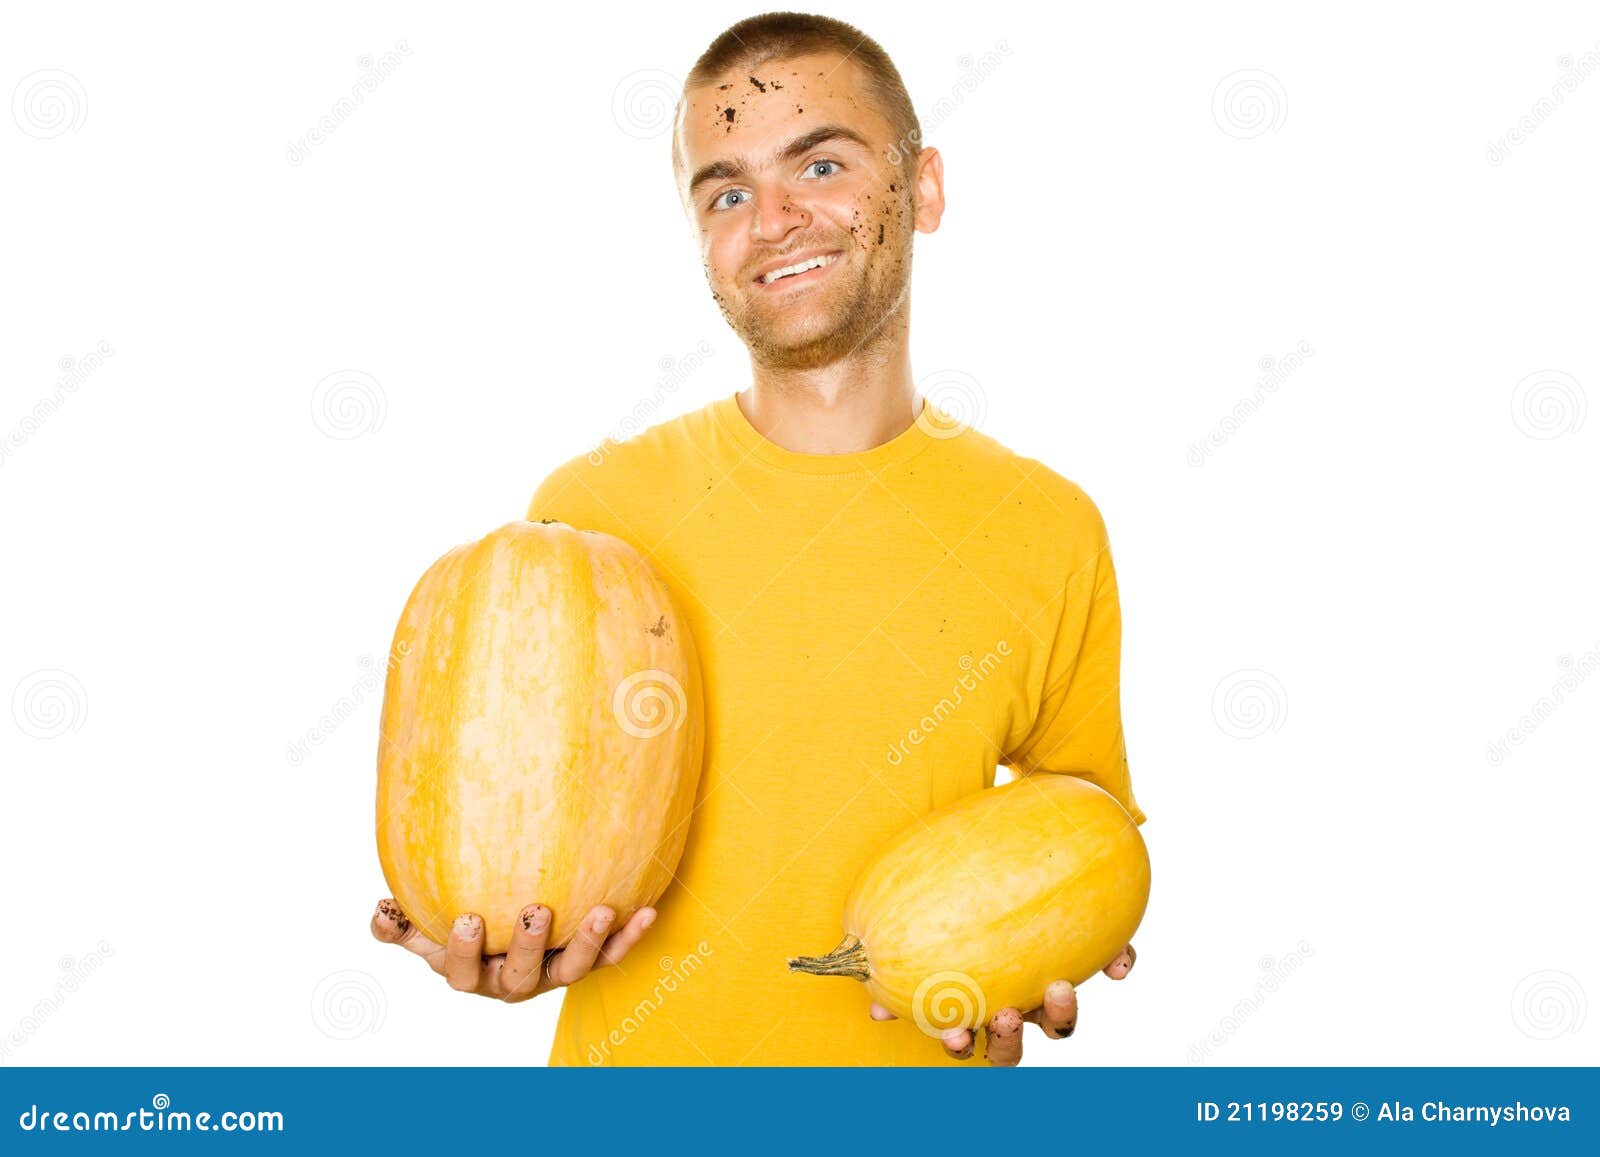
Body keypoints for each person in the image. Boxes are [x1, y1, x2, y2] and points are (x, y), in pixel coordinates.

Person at [372, 11, 1145, 1066]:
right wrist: (504, 935)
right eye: (727, 191)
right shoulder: (588, 515)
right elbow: (504, 818)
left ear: (922, 187)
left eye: (818, 163)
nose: (772, 219)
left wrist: (1051, 964)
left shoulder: (1051, 526)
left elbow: (1086, 837)